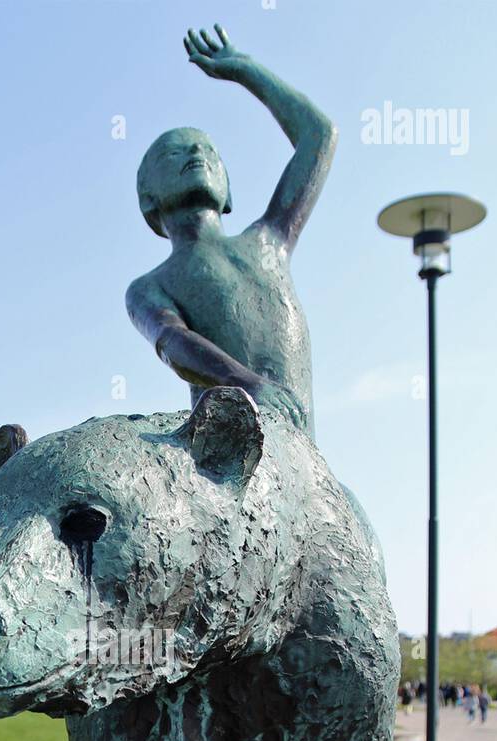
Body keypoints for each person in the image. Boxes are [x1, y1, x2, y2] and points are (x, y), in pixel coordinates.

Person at [127, 24, 337, 441]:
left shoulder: (268, 243)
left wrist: (247, 71)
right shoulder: (150, 286)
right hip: (229, 462)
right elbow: (172, 339)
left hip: (308, 464)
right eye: (174, 153)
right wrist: (248, 384)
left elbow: (319, 135)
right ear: (148, 200)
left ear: (228, 193)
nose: (195, 155)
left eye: (208, 152)